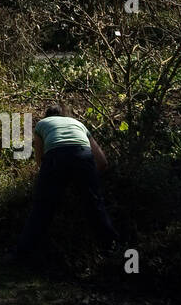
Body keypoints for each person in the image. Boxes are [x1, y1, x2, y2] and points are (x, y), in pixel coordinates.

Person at [13, 103, 118, 263]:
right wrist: (87, 180)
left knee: (41, 208)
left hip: (56, 157)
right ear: (65, 116)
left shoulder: (42, 124)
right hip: (83, 156)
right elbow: (103, 162)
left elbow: (40, 161)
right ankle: (113, 252)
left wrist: (58, 181)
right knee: (95, 207)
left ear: (47, 116)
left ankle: (22, 256)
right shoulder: (79, 124)